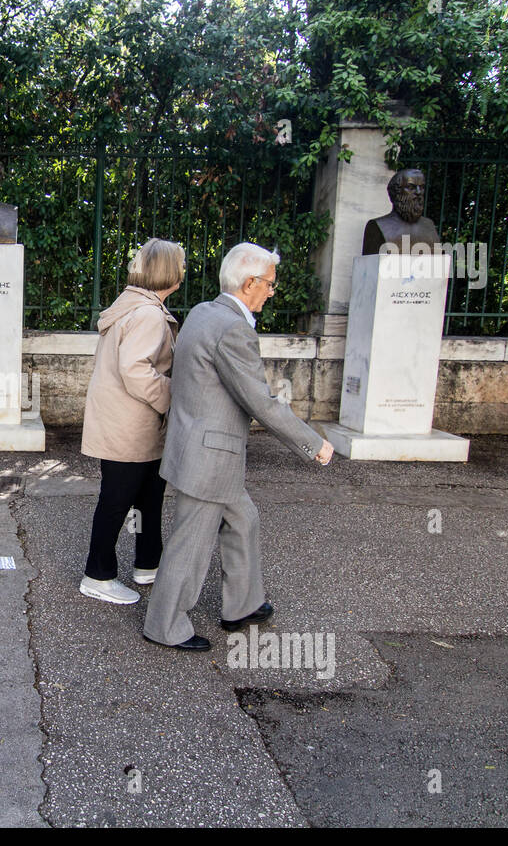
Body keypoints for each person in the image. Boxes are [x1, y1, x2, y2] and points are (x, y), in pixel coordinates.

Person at [143, 243, 333, 651]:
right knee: (190, 546)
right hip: (211, 456)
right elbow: (260, 401)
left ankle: (242, 607)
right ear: (249, 283)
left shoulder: (202, 312)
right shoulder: (233, 329)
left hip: (198, 447)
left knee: (244, 520)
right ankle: (164, 626)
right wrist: (312, 443)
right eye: (268, 284)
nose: (271, 291)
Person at [79, 238, 183, 604]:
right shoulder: (148, 315)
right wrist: (173, 396)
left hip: (129, 423)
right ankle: (98, 575)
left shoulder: (132, 308)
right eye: (181, 265)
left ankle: (147, 564)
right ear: (169, 273)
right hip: (131, 425)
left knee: (148, 497)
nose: (184, 271)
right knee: (117, 501)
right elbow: (136, 370)